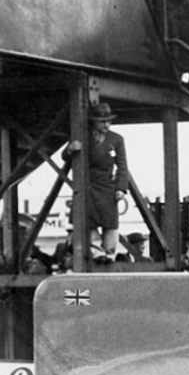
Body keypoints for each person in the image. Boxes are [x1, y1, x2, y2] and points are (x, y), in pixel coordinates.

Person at [64, 102, 128, 263]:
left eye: (109, 121)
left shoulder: (117, 139)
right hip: (88, 185)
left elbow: (122, 166)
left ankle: (109, 253)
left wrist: (121, 188)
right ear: (94, 121)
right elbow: (65, 157)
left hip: (107, 186)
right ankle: (98, 253)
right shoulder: (82, 136)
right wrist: (70, 149)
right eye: (102, 121)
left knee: (111, 223)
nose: (106, 125)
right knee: (87, 221)